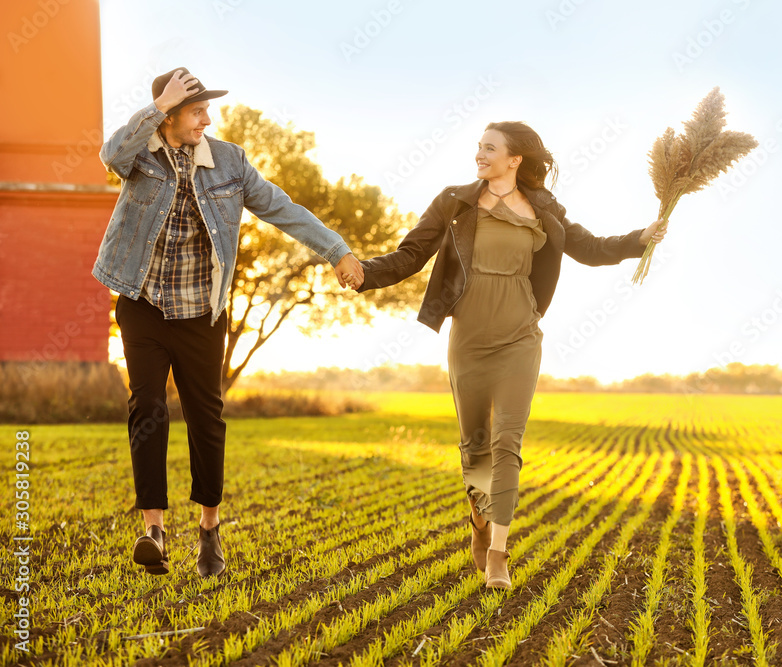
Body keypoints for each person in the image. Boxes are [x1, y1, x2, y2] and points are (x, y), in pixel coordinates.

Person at [351, 121, 664, 588]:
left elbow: (590, 248)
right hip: (469, 338)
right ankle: (479, 521)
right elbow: (410, 254)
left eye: (489, 148)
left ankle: (499, 552)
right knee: (475, 448)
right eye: (479, 147)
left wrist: (640, 237)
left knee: (507, 443)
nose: (480, 154)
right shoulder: (454, 202)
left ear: (514, 159)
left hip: (520, 334)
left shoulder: (544, 208)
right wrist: (364, 272)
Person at [93, 67, 364, 577]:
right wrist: (156, 107)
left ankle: (209, 530)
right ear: (168, 113)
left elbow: (283, 209)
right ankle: (153, 527)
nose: (206, 119)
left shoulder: (230, 163)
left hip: (201, 312)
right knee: (146, 404)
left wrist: (336, 250)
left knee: (205, 416)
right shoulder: (140, 156)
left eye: (206, 109)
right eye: (196, 110)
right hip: (143, 303)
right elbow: (110, 155)